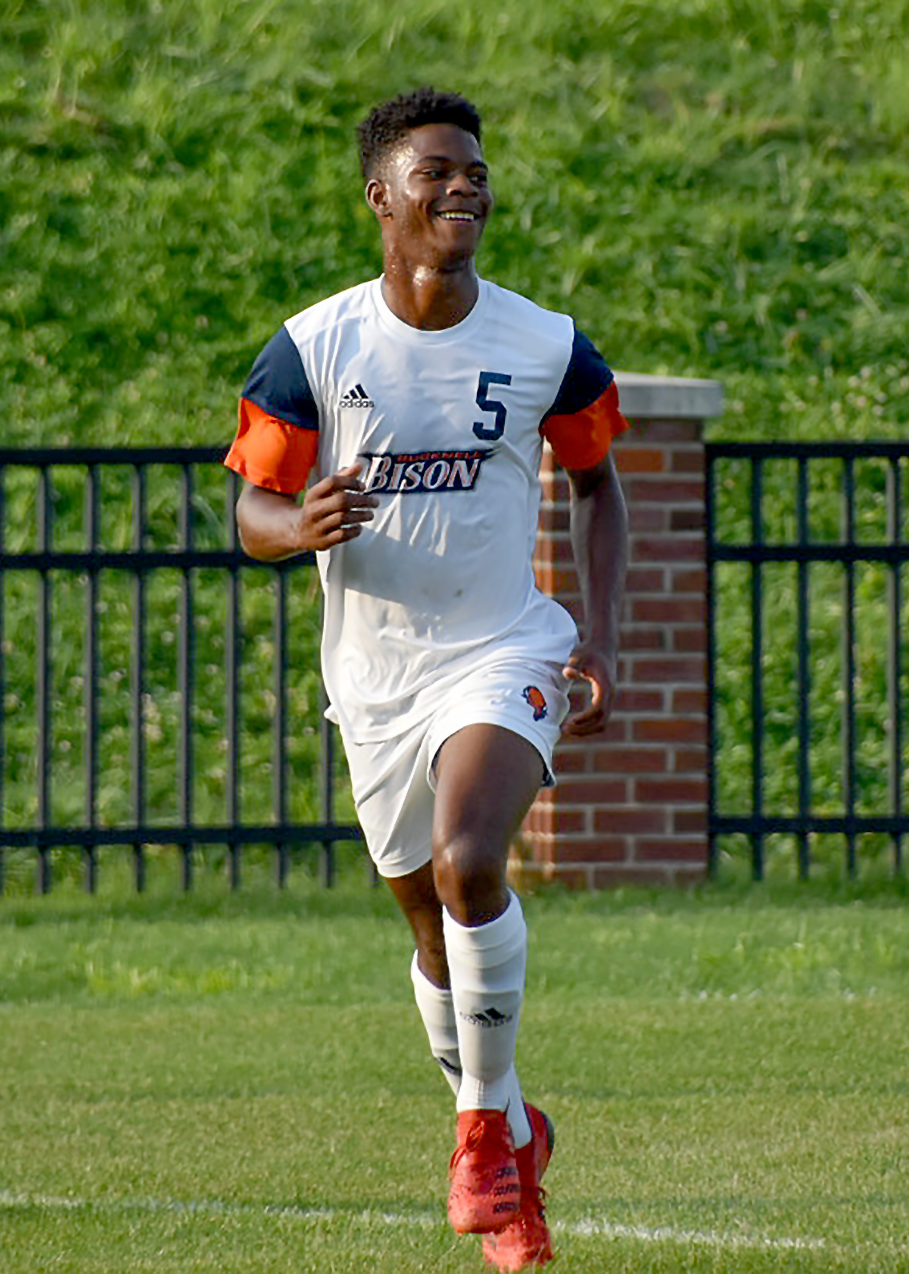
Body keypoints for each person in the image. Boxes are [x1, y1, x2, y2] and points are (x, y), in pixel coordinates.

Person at [222, 87, 630, 1271]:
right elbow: (246, 504)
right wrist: (293, 524)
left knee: (467, 861)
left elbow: (597, 484)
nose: (463, 186)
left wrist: (594, 639)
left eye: (475, 172)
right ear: (379, 200)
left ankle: (475, 1134)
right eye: (435, 171)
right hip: (375, 678)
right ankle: (512, 1138)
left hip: (503, 648)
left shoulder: (543, 342)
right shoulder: (315, 347)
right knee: (428, 930)